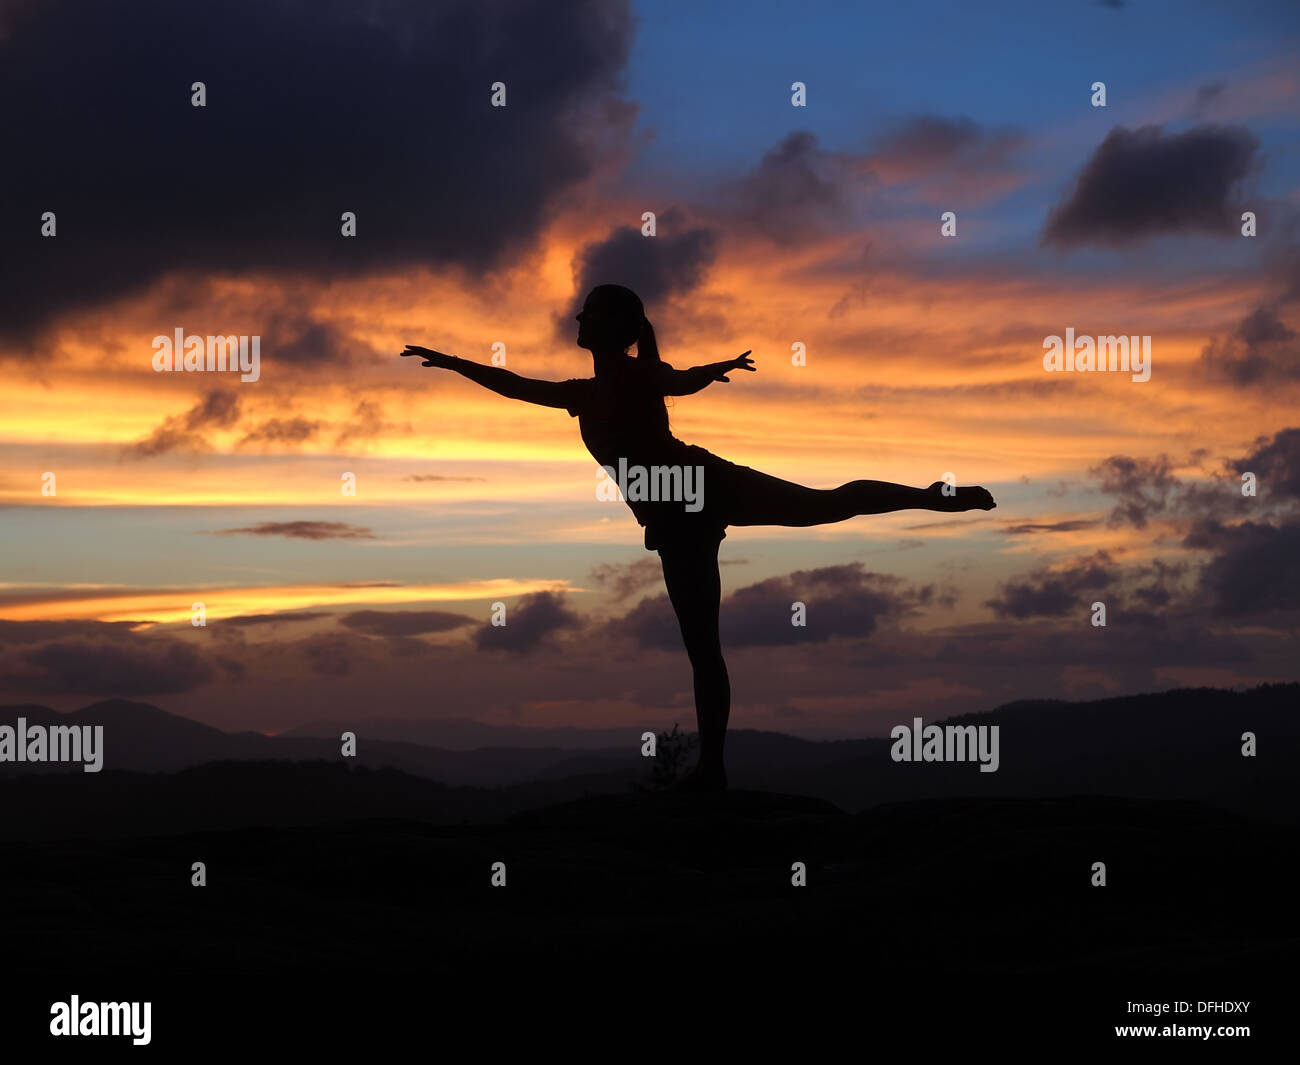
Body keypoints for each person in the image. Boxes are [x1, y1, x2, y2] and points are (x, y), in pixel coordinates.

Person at [402, 283, 996, 792]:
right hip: (675, 515)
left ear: (616, 327)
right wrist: (454, 362)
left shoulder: (637, 377)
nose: (578, 319)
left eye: (591, 312)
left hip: (700, 487)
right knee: (706, 644)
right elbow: (513, 384)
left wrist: (709, 372)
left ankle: (933, 495)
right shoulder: (584, 393)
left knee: (821, 509)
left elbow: (675, 381)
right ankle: (713, 770)